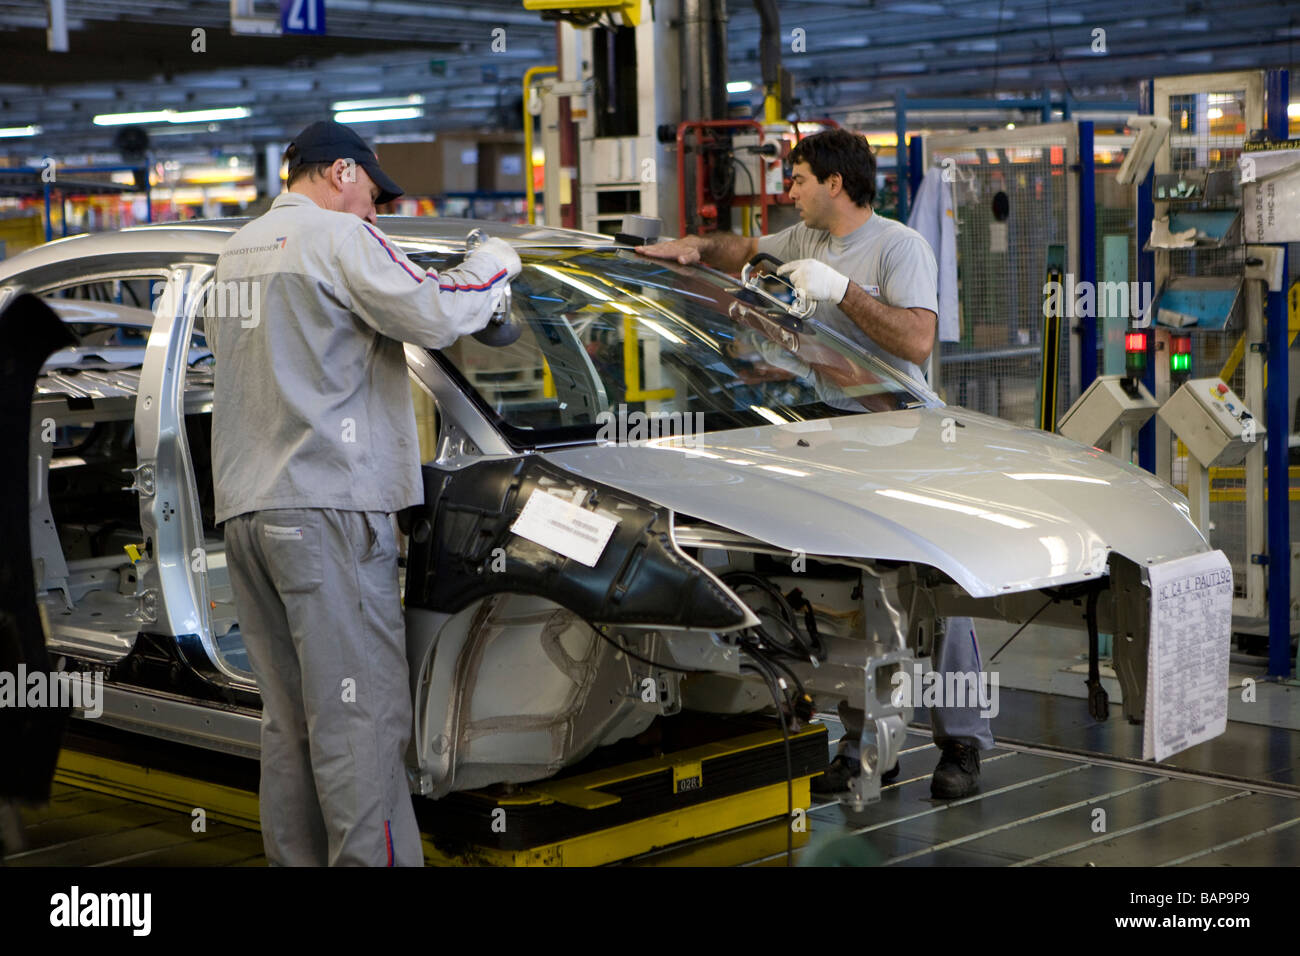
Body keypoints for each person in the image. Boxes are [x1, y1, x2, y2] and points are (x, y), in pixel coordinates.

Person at [638, 128, 991, 799]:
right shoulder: (801, 241)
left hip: (903, 437)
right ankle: (869, 745)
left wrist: (842, 291)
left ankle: (964, 741)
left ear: (835, 182)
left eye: (798, 179)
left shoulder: (897, 246)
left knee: (935, 594)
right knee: (857, 598)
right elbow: (742, 250)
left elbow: (916, 341)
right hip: (833, 440)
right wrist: (692, 248)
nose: (789, 191)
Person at [207, 120, 521, 865]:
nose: (375, 213)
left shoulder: (235, 252)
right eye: (374, 195)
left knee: (291, 724)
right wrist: (495, 262)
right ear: (341, 171)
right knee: (362, 723)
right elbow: (435, 311)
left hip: (251, 514)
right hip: (328, 514)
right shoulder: (337, 238)